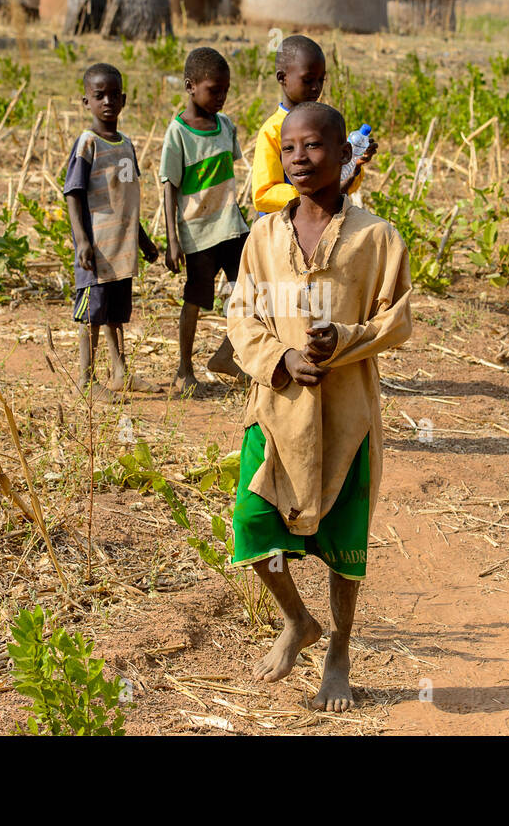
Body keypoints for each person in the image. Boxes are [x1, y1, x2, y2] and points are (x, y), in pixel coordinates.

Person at [226, 101, 412, 712]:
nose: (300, 158)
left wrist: (347, 340)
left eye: (314, 147)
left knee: (343, 541)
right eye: (290, 149)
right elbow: (241, 313)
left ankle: (339, 649)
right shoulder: (264, 235)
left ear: (343, 154)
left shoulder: (375, 237)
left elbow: (397, 318)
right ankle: (297, 622)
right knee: (253, 523)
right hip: (277, 408)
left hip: (347, 415)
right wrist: (278, 357)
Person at [63, 62, 159, 400]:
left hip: (122, 247)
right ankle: (86, 381)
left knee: (115, 314)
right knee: (92, 314)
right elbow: (73, 192)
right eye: (99, 95)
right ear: (85, 102)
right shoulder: (87, 143)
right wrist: (82, 241)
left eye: (113, 95)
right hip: (97, 250)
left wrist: (144, 240)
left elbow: (128, 198)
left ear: (124, 99)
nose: (107, 102)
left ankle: (120, 373)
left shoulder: (126, 144)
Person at [160, 47, 250, 396]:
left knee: (250, 292)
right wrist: (173, 239)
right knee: (195, 299)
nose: (221, 97)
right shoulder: (178, 133)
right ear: (190, 86)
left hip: (231, 226)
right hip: (197, 234)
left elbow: (229, 177)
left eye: (226, 90)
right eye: (214, 89)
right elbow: (169, 188)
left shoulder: (225, 125)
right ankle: (184, 369)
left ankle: (227, 354)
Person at [249, 35, 376, 215]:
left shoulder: (325, 124)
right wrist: (314, 192)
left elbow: (339, 186)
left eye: (320, 80)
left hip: (320, 223)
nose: (316, 87)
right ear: (282, 78)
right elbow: (264, 194)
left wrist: (354, 166)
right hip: (282, 228)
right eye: (308, 80)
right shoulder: (273, 130)